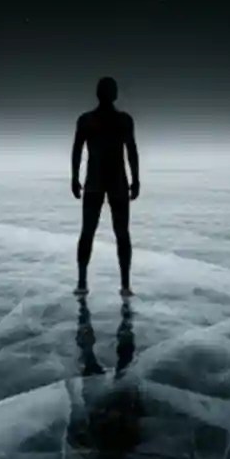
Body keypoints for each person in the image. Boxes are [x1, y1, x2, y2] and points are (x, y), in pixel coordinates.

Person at [72, 76, 139, 297]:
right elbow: (131, 151)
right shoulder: (123, 120)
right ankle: (125, 285)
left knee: (89, 232)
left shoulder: (86, 120)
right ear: (115, 94)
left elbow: (77, 151)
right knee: (121, 234)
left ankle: (82, 282)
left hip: (95, 182)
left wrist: (74, 177)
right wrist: (135, 179)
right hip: (116, 182)